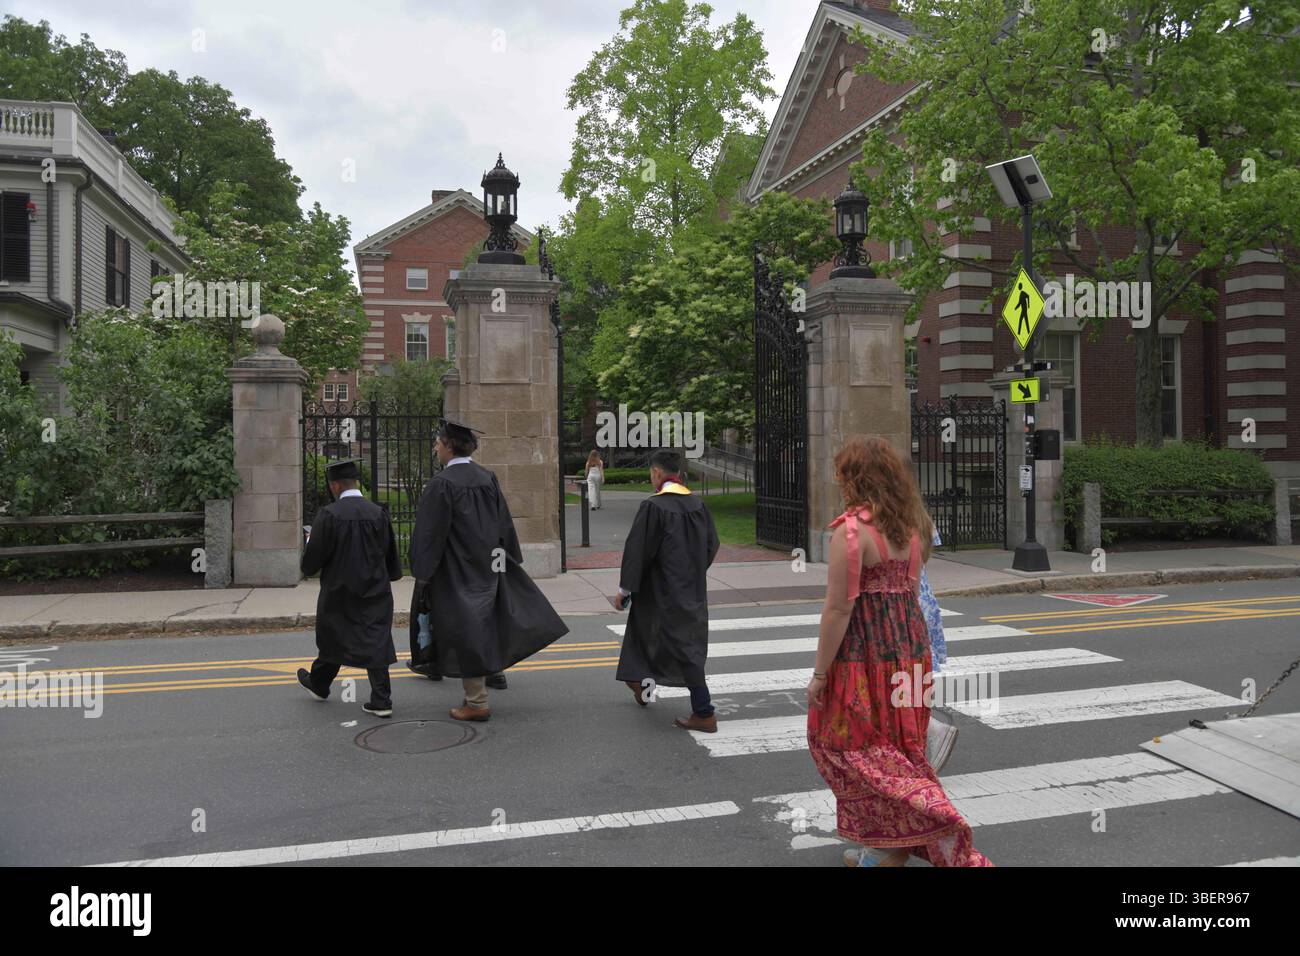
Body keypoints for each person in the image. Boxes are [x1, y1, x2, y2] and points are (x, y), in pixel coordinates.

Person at [807, 436, 991, 868]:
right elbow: (910, 593)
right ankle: (883, 844)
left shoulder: (851, 533)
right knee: (901, 747)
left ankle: (894, 845)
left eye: (842, 474)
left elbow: (839, 607)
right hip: (909, 650)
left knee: (846, 744)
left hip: (863, 654)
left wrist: (819, 673)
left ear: (854, 478)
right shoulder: (911, 528)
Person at [408, 418, 569, 721]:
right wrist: (508, 560)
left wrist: (424, 572)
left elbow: (430, 535)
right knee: (485, 620)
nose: (435, 448)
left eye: (438, 443)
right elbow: (503, 522)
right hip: (490, 564)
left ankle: (477, 702)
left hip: (456, 570)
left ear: (449, 447)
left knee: (465, 628)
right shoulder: (486, 477)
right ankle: (492, 672)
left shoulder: (442, 485)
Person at [611, 449, 720, 732]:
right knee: (673, 641)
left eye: (651, 474)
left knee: (673, 643)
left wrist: (625, 589)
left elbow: (638, 552)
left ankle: (704, 711)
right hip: (691, 589)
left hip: (659, 592)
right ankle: (641, 684)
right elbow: (712, 545)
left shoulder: (654, 507)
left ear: (657, 474)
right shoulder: (697, 505)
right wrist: (692, 572)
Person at [297, 458, 403, 718]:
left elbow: (311, 564)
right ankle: (381, 699)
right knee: (375, 639)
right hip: (374, 590)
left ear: (334, 486)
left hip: (339, 591)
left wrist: (310, 547)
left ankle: (320, 684)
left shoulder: (329, 515)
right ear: (355, 482)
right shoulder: (378, 513)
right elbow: (391, 557)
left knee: (336, 636)